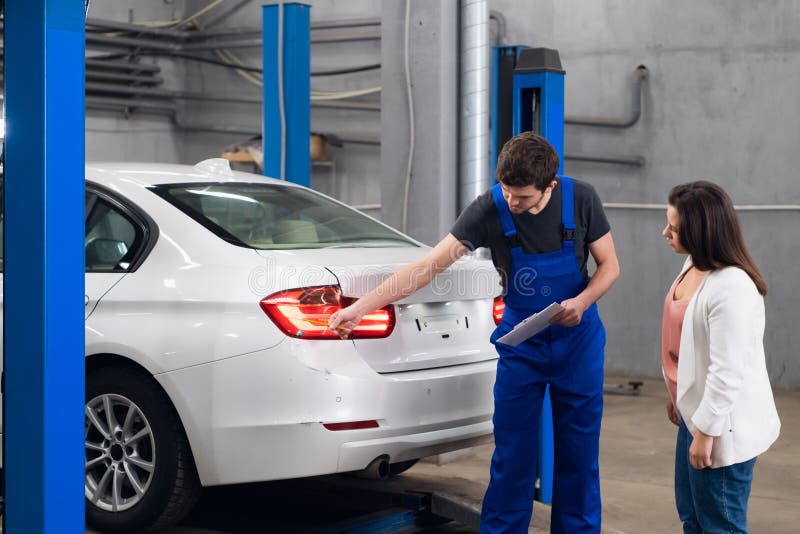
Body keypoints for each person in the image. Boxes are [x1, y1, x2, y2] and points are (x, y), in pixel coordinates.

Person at [329, 132, 620, 533]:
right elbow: (427, 267)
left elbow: (610, 266)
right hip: (522, 345)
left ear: (549, 186)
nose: (512, 202)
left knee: (579, 455)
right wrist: (360, 308)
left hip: (578, 342)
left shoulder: (581, 198)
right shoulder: (489, 208)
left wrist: (582, 302)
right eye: (507, 191)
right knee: (512, 456)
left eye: (523, 197)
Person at [660, 181, 781, 533]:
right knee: (692, 517)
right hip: (693, 414)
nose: (665, 233)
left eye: (674, 228)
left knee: (720, 525)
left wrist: (706, 433)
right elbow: (683, 341)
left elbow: (726, 371)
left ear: (701, 233)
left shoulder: (732, 287)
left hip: (718, 425)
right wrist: (676, 394)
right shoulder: (693, 264)